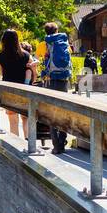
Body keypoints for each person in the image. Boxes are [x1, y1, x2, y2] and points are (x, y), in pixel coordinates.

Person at [41, 22, 73, 153]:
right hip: (64, 78)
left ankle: (56, 145)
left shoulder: (45, 44)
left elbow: (45, 61)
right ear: (57, 30)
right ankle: (62, 141)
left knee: (52, 113)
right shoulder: (64, 41)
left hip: (51, 80)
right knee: (63, 111)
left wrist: (43, 74)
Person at [0, 29, 32, 138]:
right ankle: (27, 142)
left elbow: (1, 73)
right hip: (24, 90)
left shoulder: (0, 56)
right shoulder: (26, 55)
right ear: (17, 40)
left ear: (3, 41)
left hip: (8, 91)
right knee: (25, 118)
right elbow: (31, 71)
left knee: (12, 120)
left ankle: (15, 143)